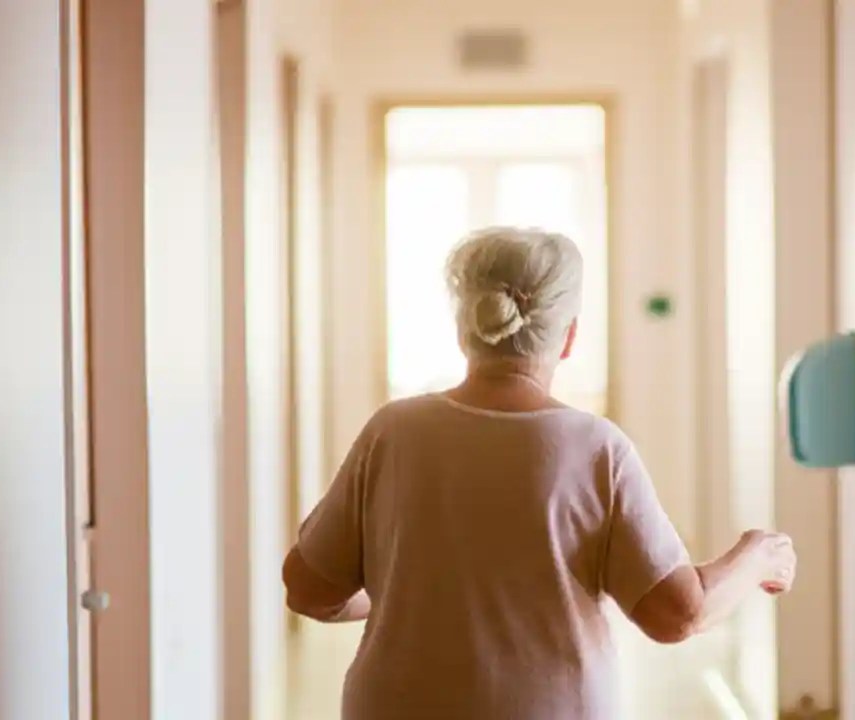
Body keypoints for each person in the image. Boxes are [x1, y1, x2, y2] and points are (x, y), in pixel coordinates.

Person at [281, 227, 796, 719]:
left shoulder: (392, 431)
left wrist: (407, 595)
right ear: (568, 337)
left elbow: (309, 588)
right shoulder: (597, 450)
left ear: (465, 331)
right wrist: (758, 554)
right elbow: (678, 614)